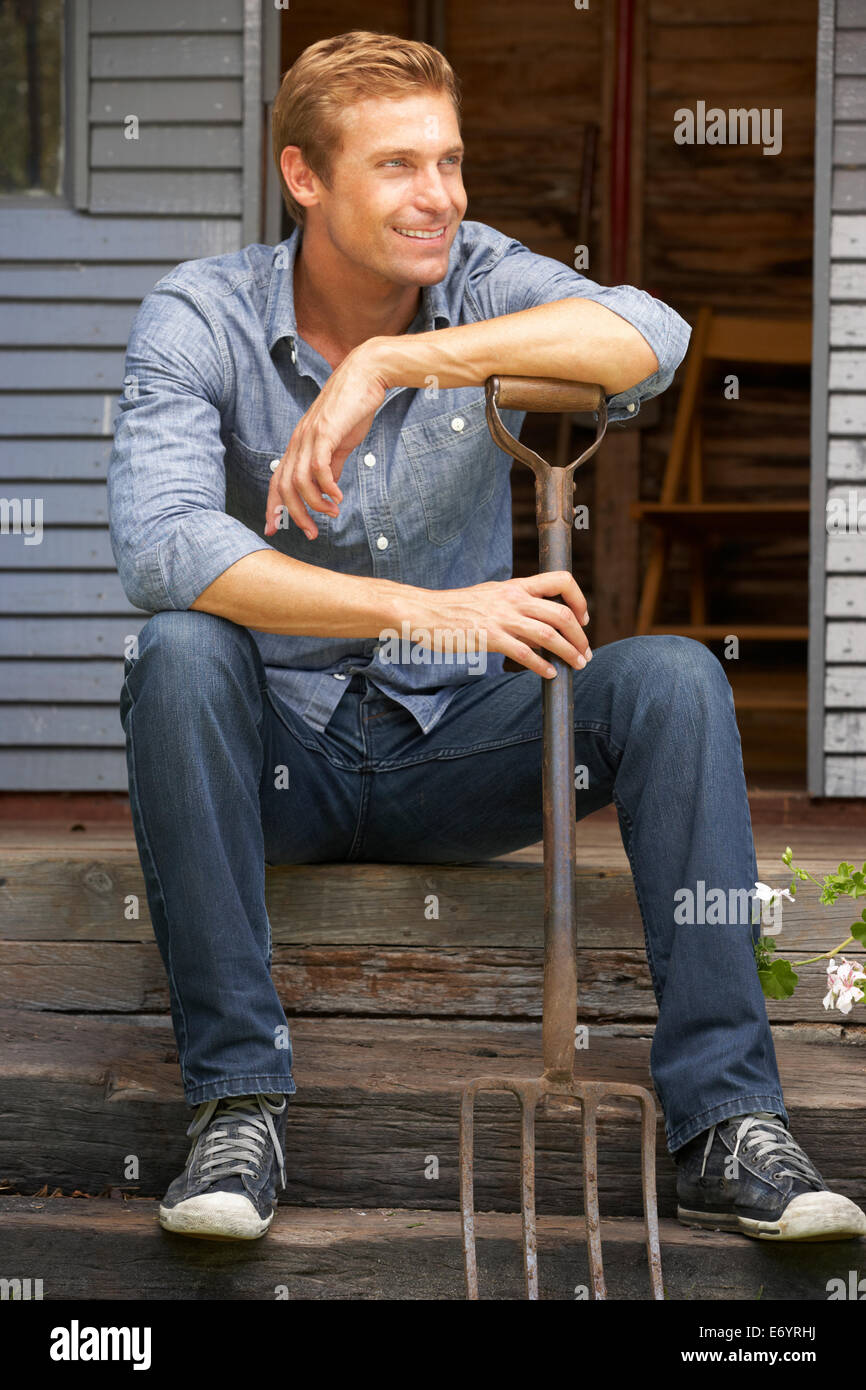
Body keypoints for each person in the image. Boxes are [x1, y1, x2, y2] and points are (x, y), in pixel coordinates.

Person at [107, 29, 866, 1249]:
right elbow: (162, 550)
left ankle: (727, 1122)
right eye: (399, 166)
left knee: (671, 678)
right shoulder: (199, 314)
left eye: (451, 162)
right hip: (277, 761)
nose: (440, 197)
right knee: (179, 653)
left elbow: (646, 338)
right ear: (304, 177)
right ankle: (236, 1106)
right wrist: (423, 611)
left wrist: (402, 360)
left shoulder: (475, 280)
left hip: (455, 752)